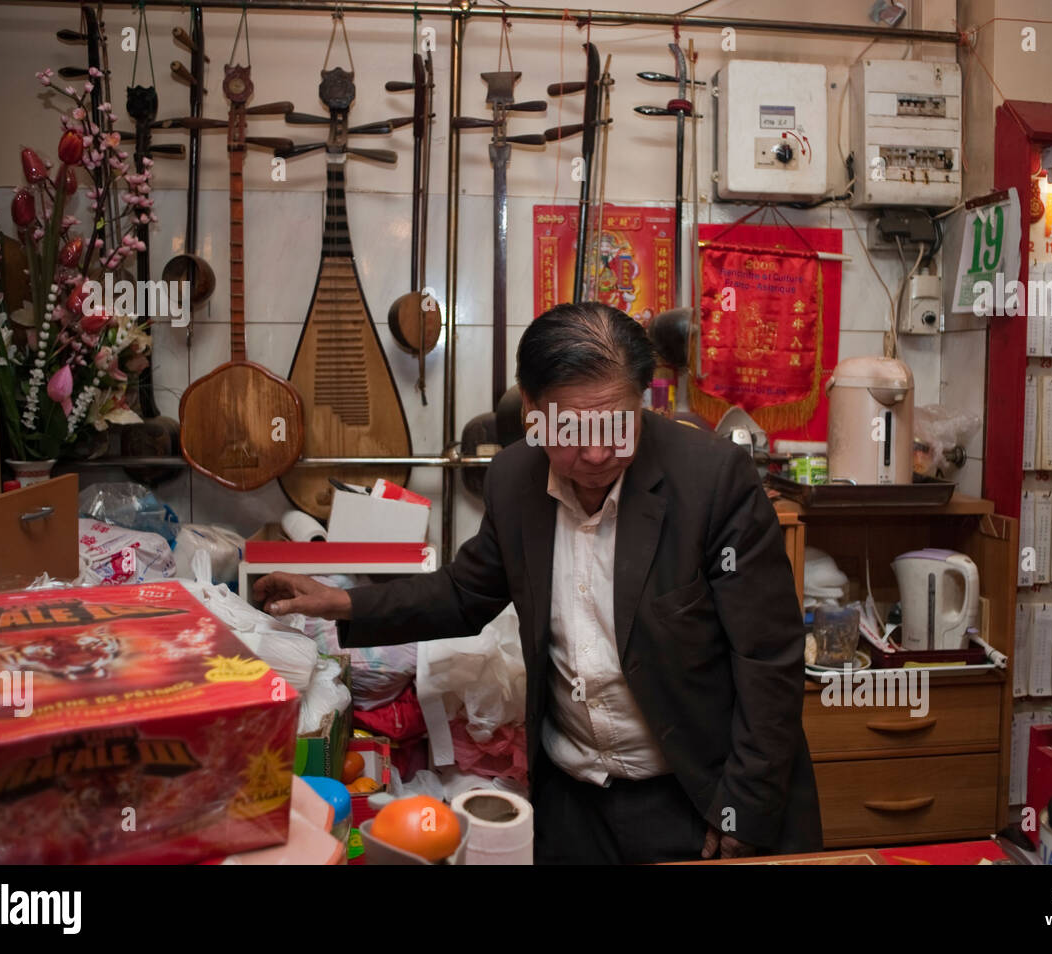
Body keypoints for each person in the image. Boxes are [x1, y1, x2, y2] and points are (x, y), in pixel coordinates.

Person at [253, 301, 822, 864]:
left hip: (693, 797)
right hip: (572, 803)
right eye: (573, 428)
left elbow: (767, 658)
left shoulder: (714, 480)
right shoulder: (515, 478)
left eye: (618, 424)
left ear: (642, 402)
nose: (597, 452)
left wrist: (743, 812)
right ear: (532, 409)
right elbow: (463, 593)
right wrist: (343, 602)